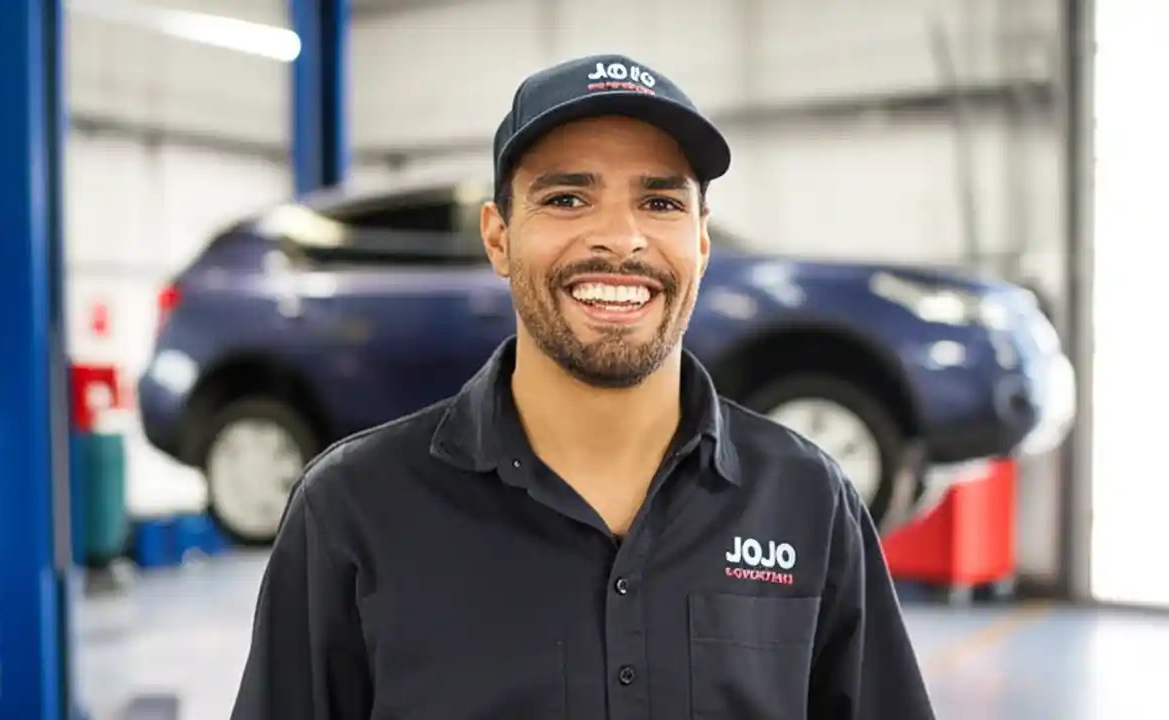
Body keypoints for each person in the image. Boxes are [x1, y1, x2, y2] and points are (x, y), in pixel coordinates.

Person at [230, 53, 936, 719]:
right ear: (499, 237)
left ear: (701, 242)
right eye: (568, 198)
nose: (622, 239)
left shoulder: (808, 503)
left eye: (660, 204)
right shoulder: (353, 511)